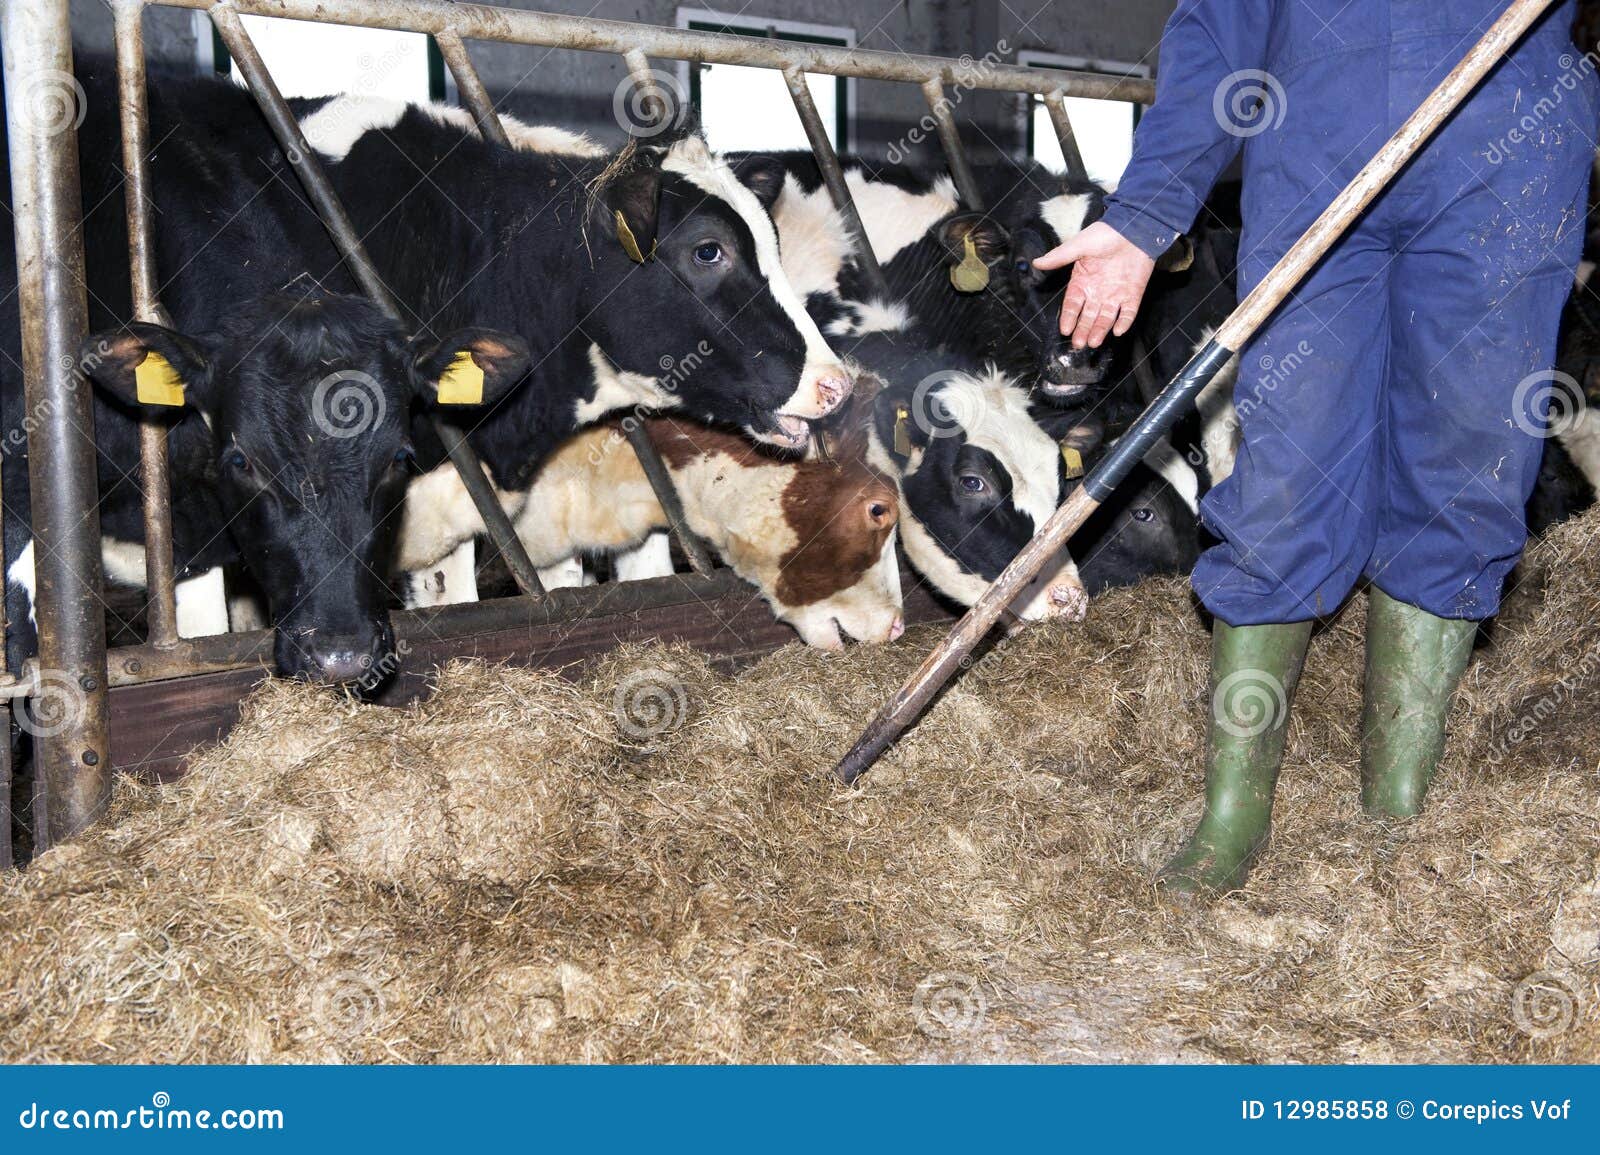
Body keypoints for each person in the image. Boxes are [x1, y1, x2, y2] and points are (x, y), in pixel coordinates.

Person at [1034, 0, 1598, 893]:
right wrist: (1147, 210)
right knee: (1287, 473)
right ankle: (1234, 814)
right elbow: (1224, 21)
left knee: (1468, 465)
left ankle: (1397, 806)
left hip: (1510, 145)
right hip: (1318, 149)